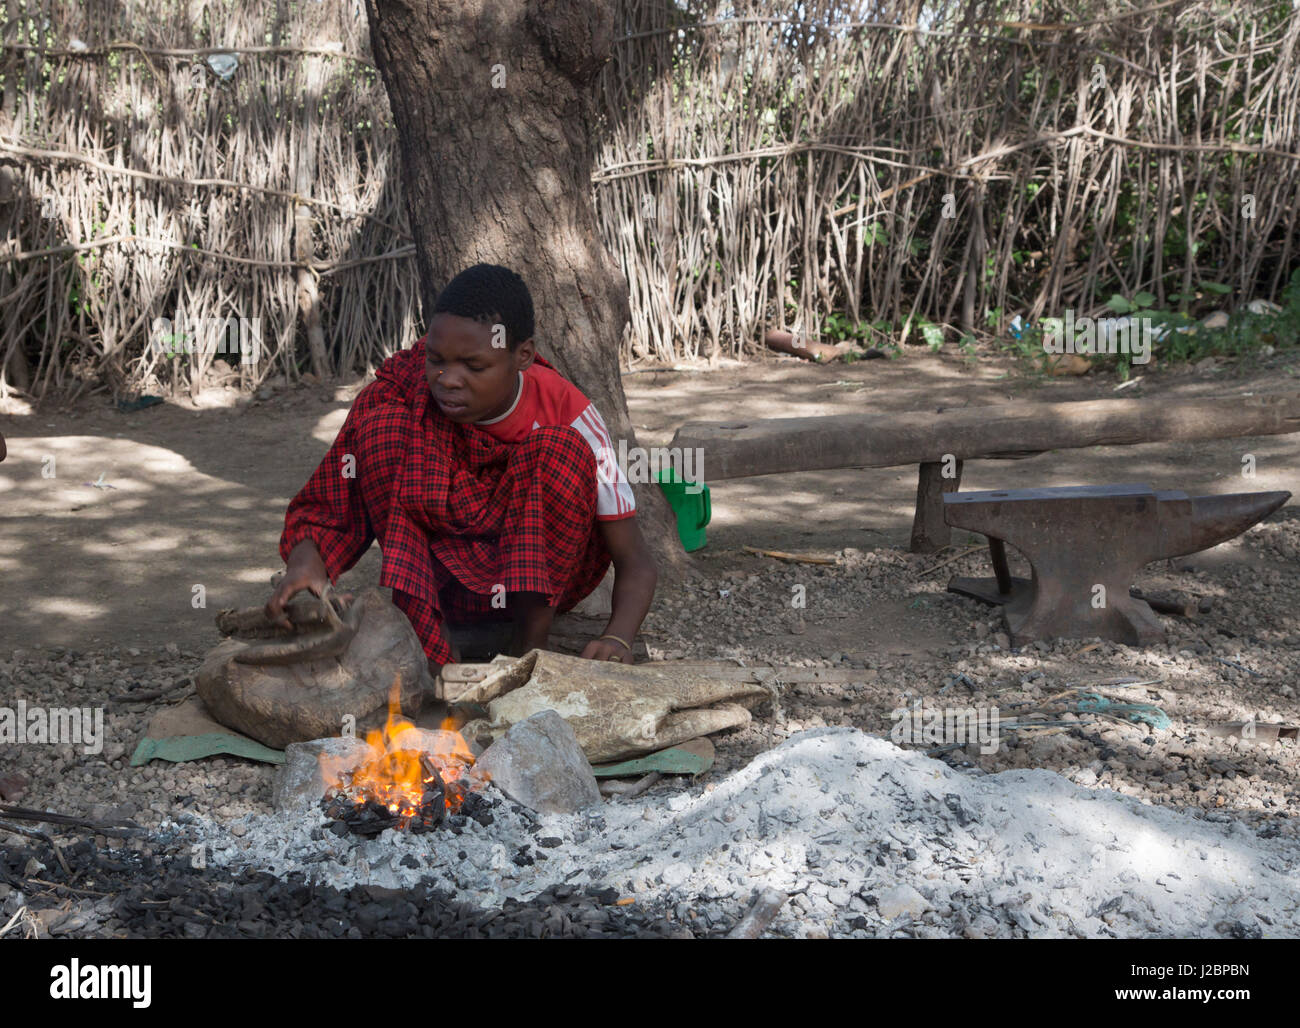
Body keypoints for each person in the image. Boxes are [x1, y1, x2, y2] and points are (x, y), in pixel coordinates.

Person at [266, 264, 657, 677]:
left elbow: (636, 562)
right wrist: (305, 566)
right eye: (436, 360)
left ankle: (530, 650)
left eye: (474, 366)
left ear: (522, 356)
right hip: (441, 585)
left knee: (556, 451)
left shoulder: (568, 412)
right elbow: (328, 509)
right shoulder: (403, 395)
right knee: (383, 428)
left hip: (536, 585)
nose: (447, 380)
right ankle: (429, 638)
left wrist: (618, 636)